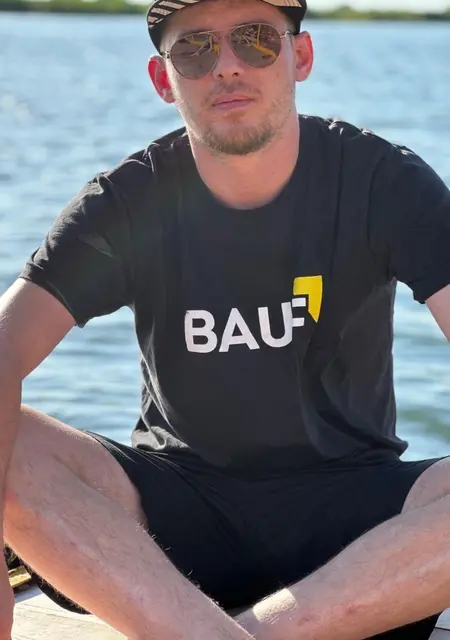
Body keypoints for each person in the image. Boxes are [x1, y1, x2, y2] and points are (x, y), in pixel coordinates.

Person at [2, 0, 450, 637]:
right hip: (169, 532)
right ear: (164, 80)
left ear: (300, 56)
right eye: (195, 49)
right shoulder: (129, 201)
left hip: (355, 530)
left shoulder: (381, 181)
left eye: (256, 40)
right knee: (12, 441)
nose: (227, 66)